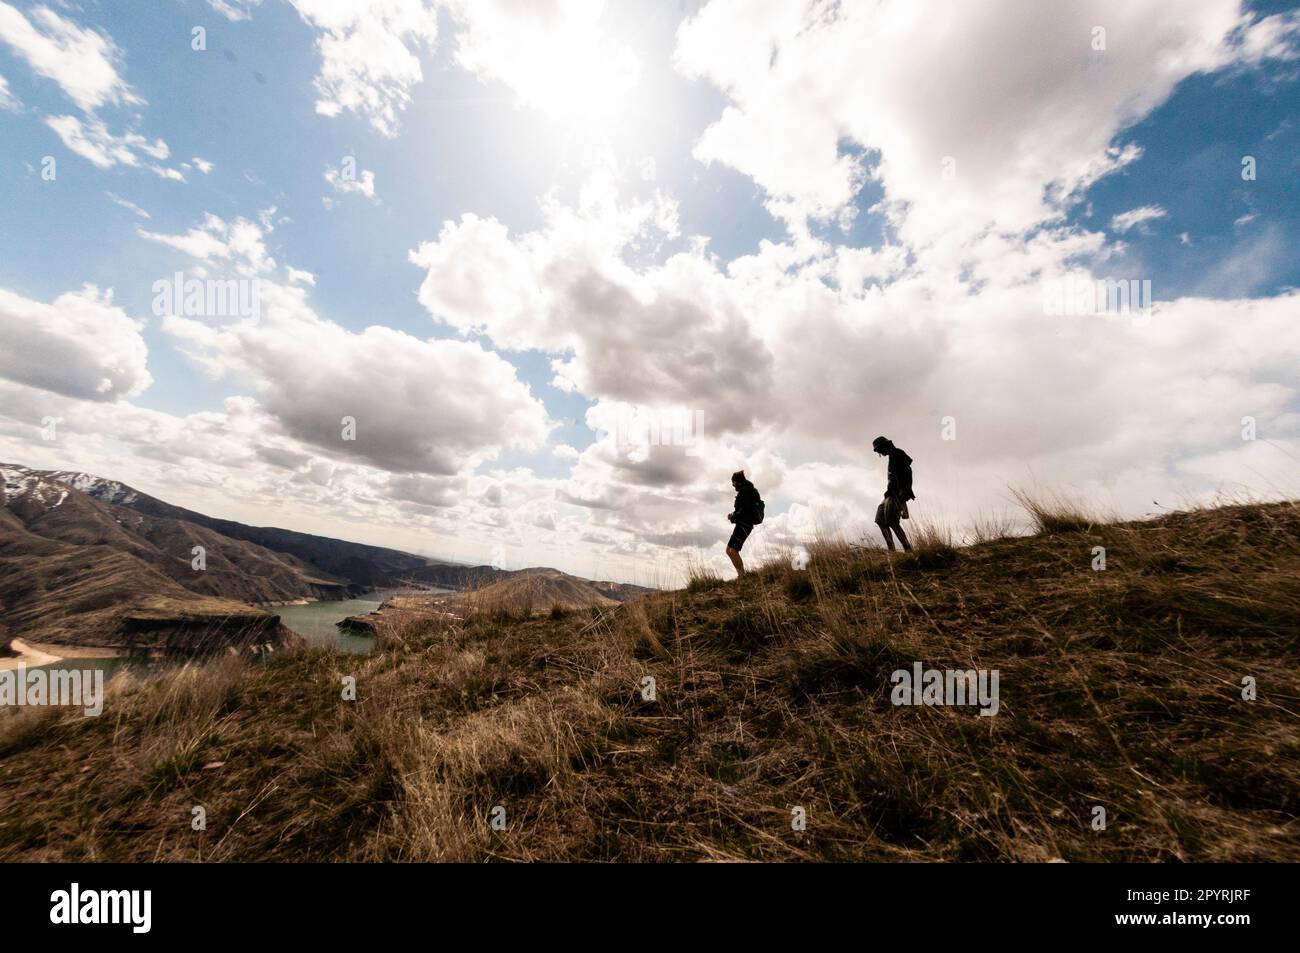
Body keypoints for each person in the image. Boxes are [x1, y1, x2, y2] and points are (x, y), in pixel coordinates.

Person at [872, 436, 914, 552]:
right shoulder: (892, 456)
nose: (879, 452)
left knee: (892, 522)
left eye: (879, 450)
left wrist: (903, 491)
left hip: (897, 494)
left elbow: (907, 472)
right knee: (880, 519)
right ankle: (891, 549)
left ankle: (908, 548)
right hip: (890, 494)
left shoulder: (898, 454)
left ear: (885, 446)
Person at [725, 470, 764, 576]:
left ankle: (742, 575)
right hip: (743, 523)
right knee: (729, 550)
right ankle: (741, 574)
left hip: (745, 524)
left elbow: (744, 511)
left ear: (738, 481)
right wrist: (734, 515)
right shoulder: (746, 490)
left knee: (733, 550)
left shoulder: (745, 492)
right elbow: (742, 509)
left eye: (733, 482)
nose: (733, 485)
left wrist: (732, 516)